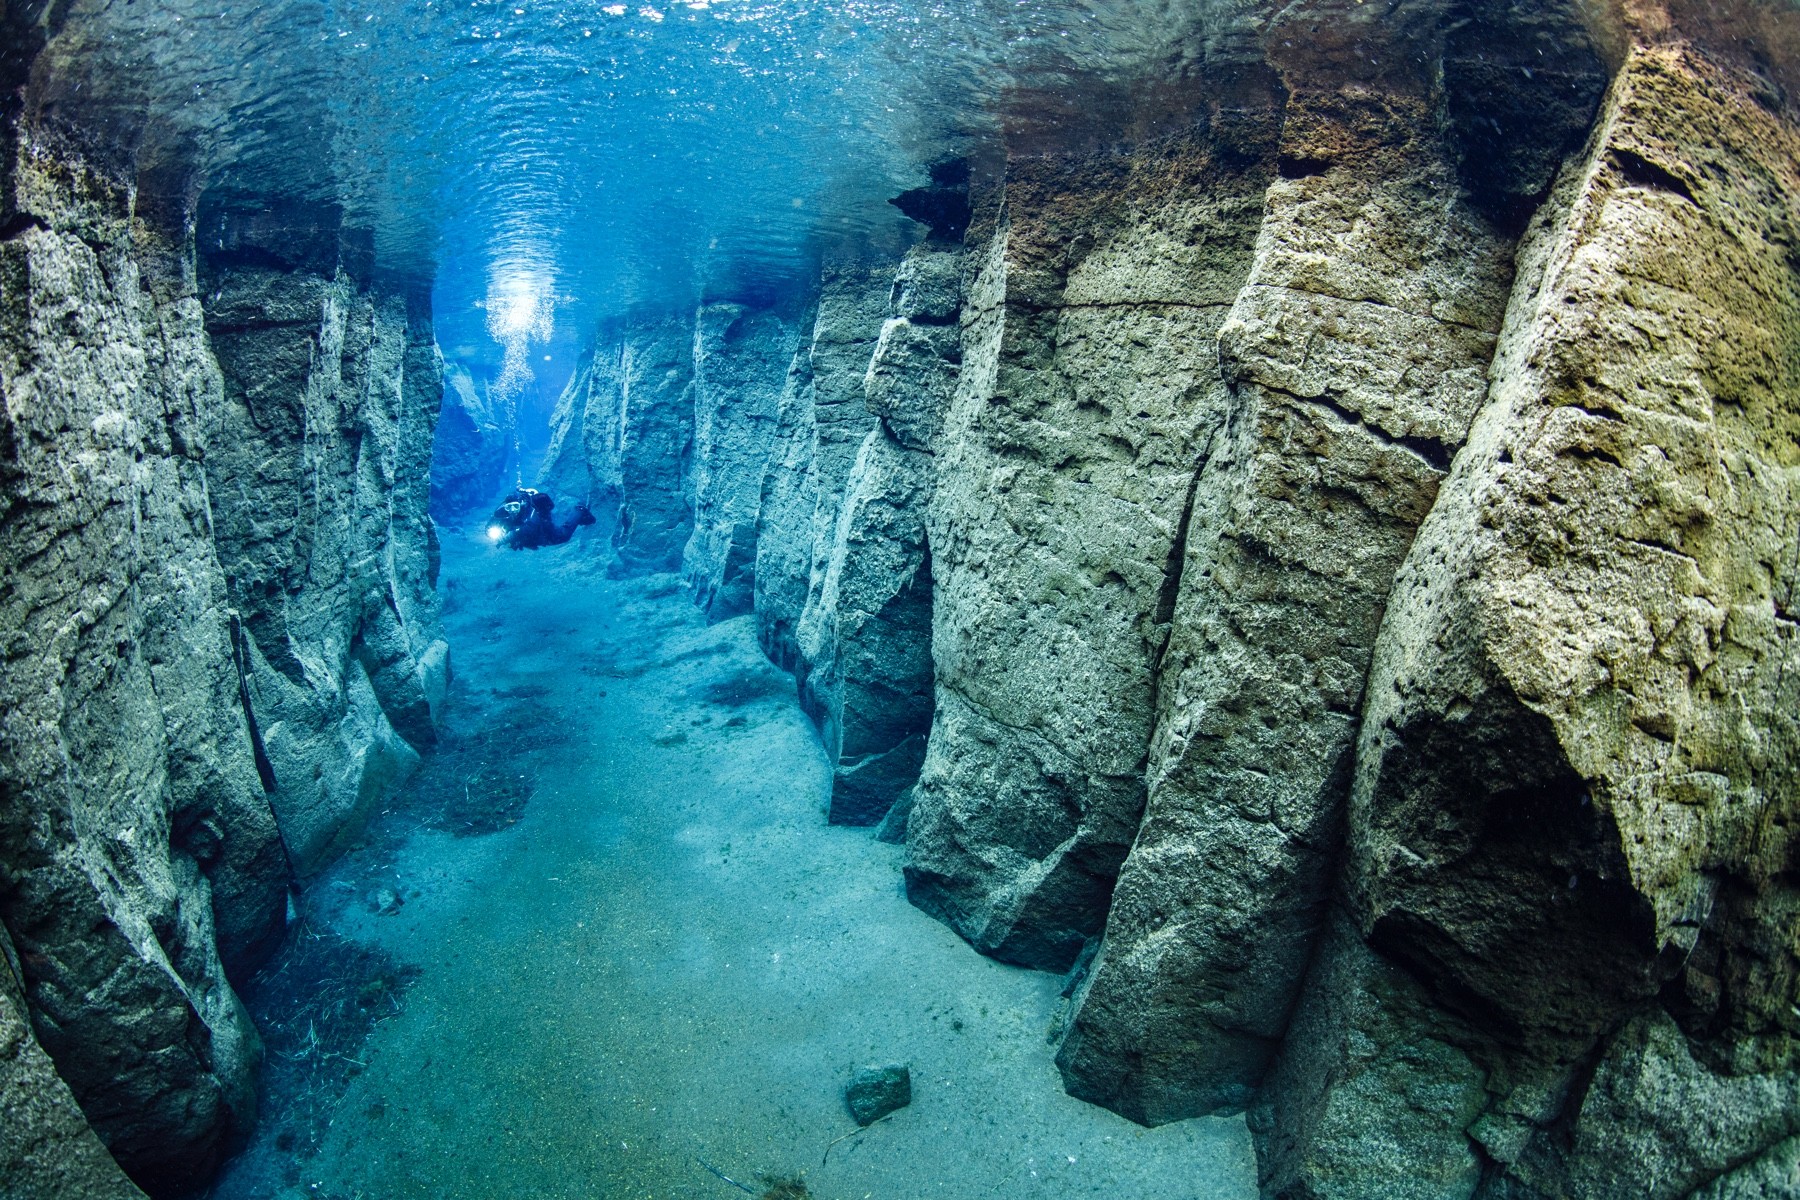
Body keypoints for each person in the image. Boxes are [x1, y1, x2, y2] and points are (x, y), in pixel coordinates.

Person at [487, 487, 595, 550]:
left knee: (563, 536)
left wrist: (508, 537)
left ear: (521, 504)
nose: (512, 510)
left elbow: (531, 525)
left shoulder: (529, 510)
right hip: (531, 538)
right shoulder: (503, 513)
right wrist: (495, 532)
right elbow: (489, 528)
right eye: (509, 507)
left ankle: (579, 511)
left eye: (515, 506)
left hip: (544, 530)